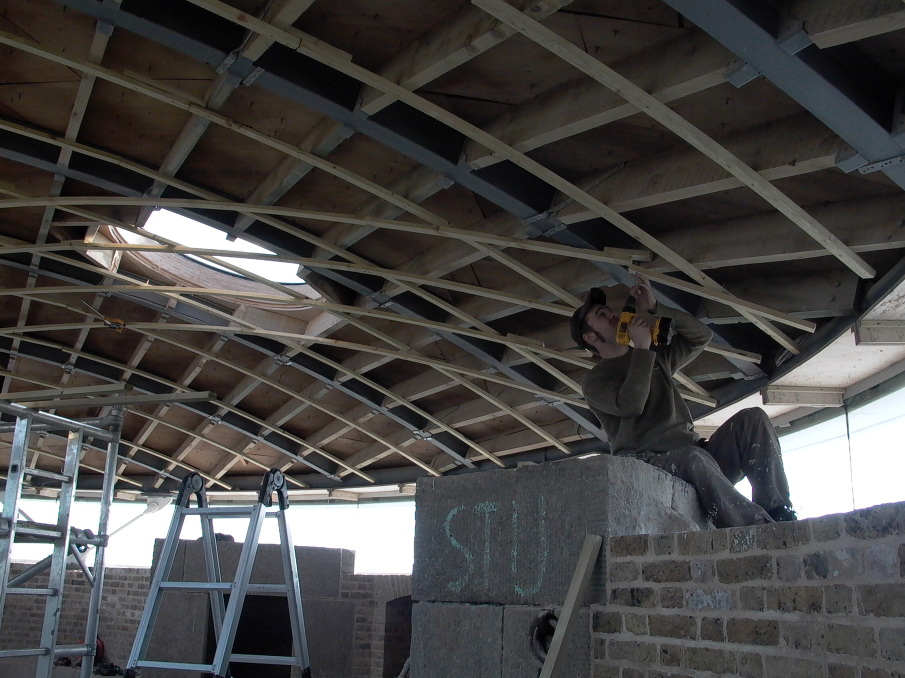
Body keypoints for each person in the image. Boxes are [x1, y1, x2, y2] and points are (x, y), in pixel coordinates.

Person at [570, 273, 796, 528]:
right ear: (590, 337)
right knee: (692, 457)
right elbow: (631, 404)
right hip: (649, 461)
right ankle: (756, 527)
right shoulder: (594, 380)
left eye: (609, 310)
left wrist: (656, 308)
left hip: (697, 455)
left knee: (752, 419)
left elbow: (700, 337)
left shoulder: (655, 355)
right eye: (601, 316)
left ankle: (778, 511)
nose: (612, 314)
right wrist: (642, 350)